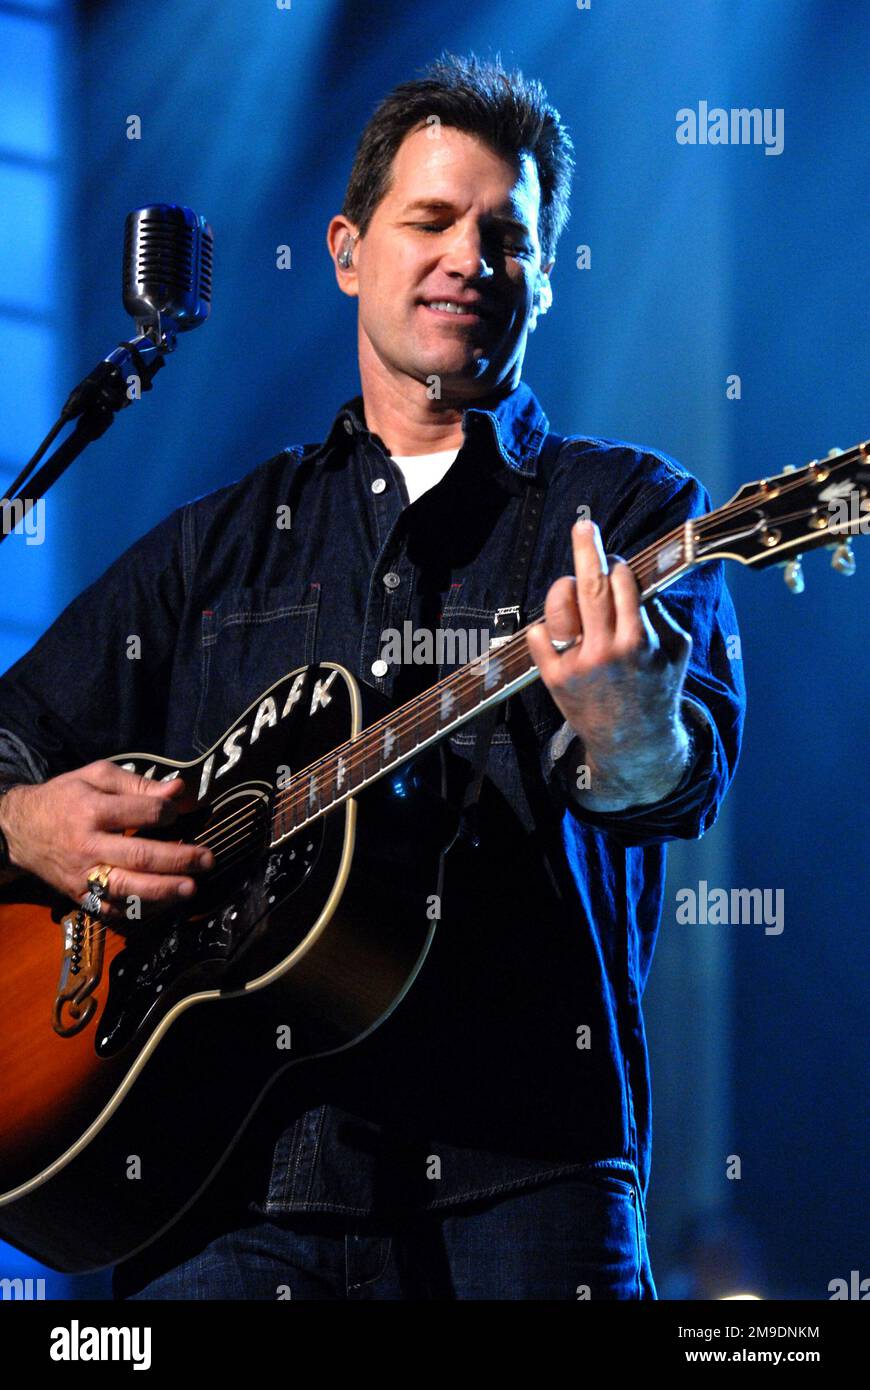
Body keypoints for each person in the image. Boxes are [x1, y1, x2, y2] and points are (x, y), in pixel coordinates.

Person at [0, 52, 744, 1300]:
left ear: (546, 279)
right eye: (432, 220)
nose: (468, 256)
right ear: (348, 251)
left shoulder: (624, 513)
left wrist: (631, 730)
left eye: (507, 236)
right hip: (224, 1191)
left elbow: (677, 778)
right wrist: (27, 820)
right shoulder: (217, 544)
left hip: (527, 1184)